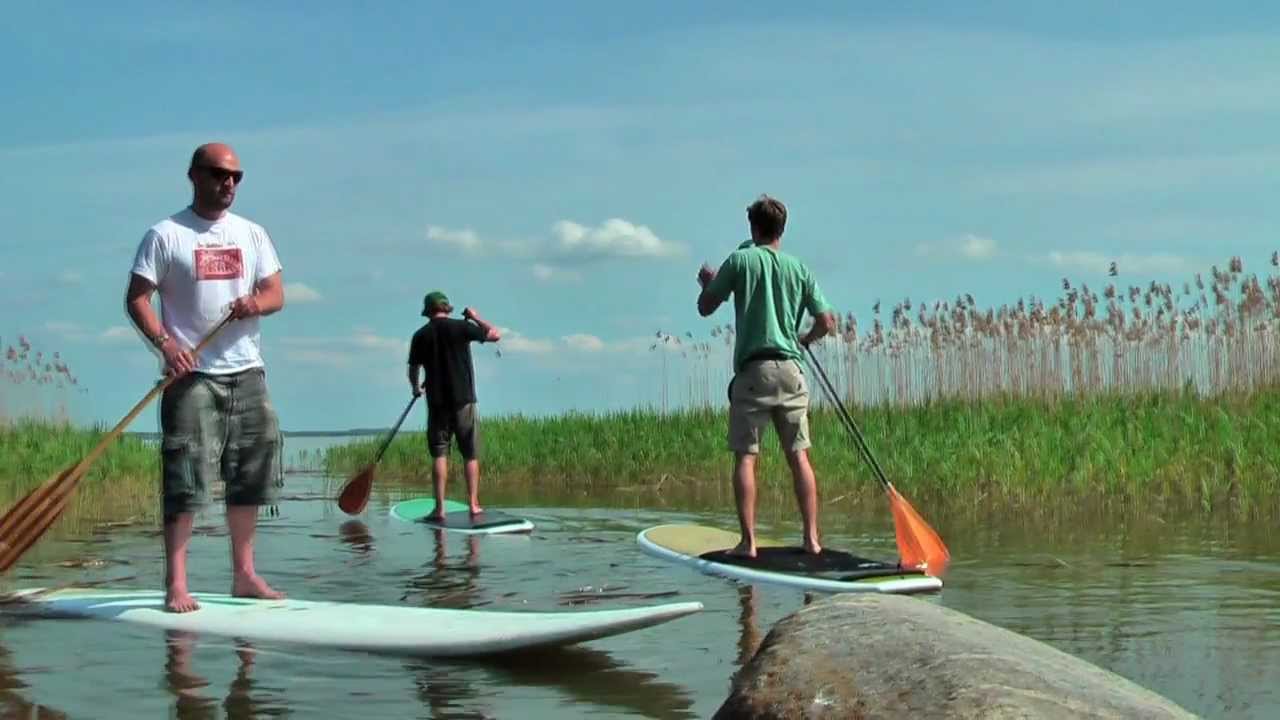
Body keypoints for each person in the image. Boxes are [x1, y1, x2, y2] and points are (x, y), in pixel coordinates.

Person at [125, 142, 286, 613]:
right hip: (191, 377)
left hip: (247, 371)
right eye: (218, 174)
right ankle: (176, 584)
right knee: (185, 478)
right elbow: (137, 298)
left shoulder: (252, 233)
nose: (228, 183)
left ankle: (244, 574)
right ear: (194, 175)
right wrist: (166, 344)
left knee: (251, 474)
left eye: (235, 176)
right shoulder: (165, 235)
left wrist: (255, 303)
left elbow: (275, 293)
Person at [696, 194, 836, 558]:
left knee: (746, 458)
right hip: (792, 371)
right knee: (799, 457)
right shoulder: (799, 268)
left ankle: (749, 543)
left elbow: (706, 307)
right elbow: (826, 321)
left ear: (753, 227)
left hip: (754, 372)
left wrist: (708, 284)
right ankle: (812, 540)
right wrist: (805, 339)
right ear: (781, 230)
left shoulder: (740, 260)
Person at [407, 291, 501, 521]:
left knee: (440, 454)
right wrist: (475, 317)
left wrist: (416, 388)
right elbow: (495, 335)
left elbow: (413, 369)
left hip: (437, 402)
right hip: (464, 400)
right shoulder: (462, 327)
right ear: (446, 308)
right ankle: (473, 505)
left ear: (428, 311)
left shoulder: (420, 335)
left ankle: (439, 509)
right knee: (470, 454)